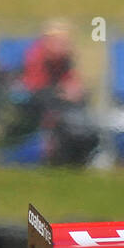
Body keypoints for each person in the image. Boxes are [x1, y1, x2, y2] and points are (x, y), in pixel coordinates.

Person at [17, 20, 100, 165]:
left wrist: (76, 89)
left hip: (57, 97)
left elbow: (72, 79)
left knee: (82, 102)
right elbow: (35, 85)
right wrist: (62, 91)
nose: (66, 46)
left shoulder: (64, 59)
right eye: (61, 42)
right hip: (36, 97)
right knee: (57, 105)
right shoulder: (37, 55)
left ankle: (83, 147)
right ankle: (54, 147)